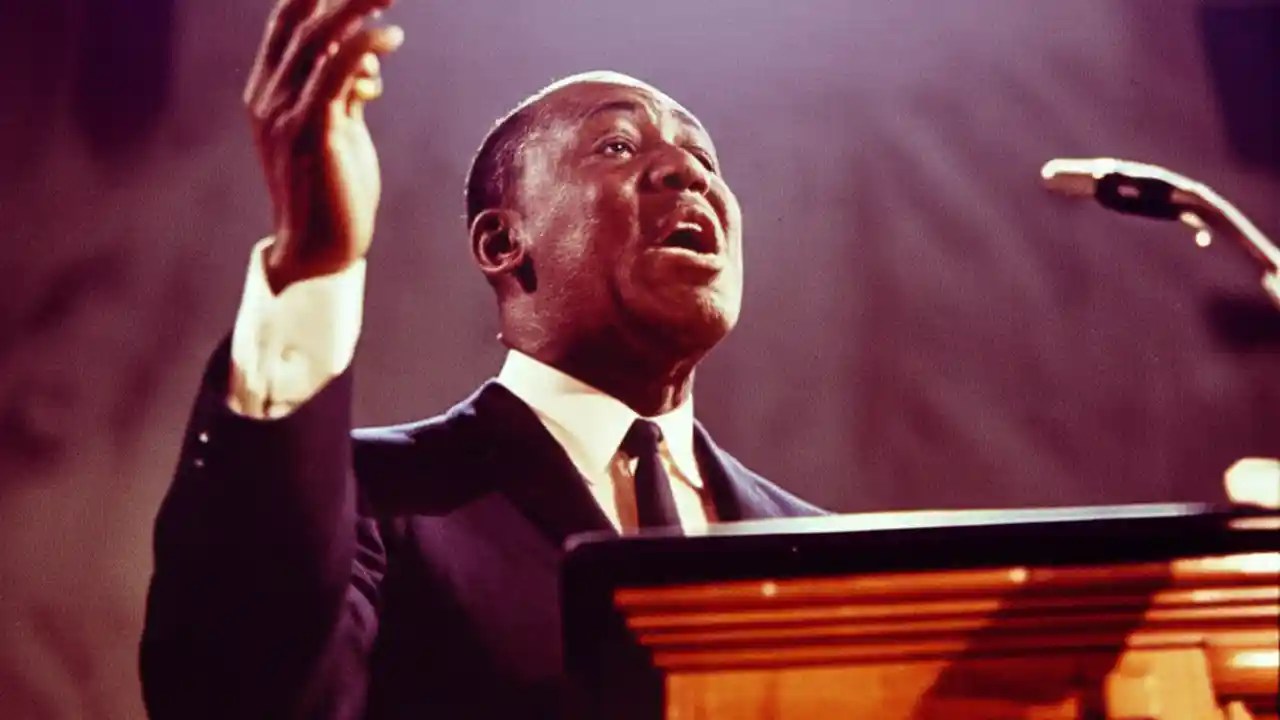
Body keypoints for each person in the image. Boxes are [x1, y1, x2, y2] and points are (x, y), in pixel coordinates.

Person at [138, 0, 823, 718]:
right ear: (502, 243)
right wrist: (314, 265)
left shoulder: (828, 555)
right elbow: (234, 692)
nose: (686, 171)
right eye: (617, 145)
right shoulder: (369, 502)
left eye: (705, 160)